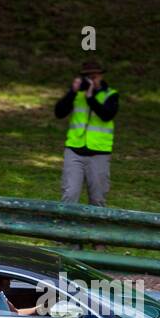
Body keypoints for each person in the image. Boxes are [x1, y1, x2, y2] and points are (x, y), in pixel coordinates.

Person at [54, 59, 118, 207]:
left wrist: (90, 98)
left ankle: (95, 229)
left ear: (101, 76)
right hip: (74, 150)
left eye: (94, 77)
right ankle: (65, 228)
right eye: (87, 77)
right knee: (69, 194)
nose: (91, 80)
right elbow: (59, 112)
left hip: (99, 152)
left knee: (97, 198)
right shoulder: (77, 94)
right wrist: (72, 92)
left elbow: (107, 115)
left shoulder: (110, 94)